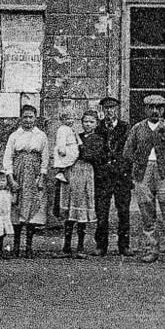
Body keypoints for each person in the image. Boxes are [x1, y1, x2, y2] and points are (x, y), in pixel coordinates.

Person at [122, 93, 165, 264]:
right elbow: (127, 152)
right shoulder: (138, 128)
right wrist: (139, 163)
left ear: (163, 109)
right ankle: (151, 250)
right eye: (151, 107)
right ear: (145, 109)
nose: (155, 111)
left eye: (158, 108)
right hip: (143, 173)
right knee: (147, 214)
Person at [1, 104, 52, 258]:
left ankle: (29, 247)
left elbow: (45, 158)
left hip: (34, 175)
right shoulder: (15, 136)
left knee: (33, 209)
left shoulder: (41, 135)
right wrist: (11, 179)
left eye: (31, 117)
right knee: (17, 208)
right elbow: (8, 157)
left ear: (35, 118)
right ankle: (16, 246)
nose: (28, 120)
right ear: (20, 118)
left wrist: (42, 177)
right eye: (25, 117)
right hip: (19, 173)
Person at [86, 95, 133, 256]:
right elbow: (93, 151)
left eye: (112, 108)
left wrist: (124, 169)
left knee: (124, 212)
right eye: (106, 109)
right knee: (102, 212)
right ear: (103, 111)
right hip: (103, 177)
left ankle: (124, 245)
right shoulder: (97, 129)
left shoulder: (125, 128)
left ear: (117, 110)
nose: (109, 111)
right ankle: (101, 245)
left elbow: (129, 152)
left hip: (121, 177)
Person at [61, 110, 99, 258]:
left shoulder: (97, 139)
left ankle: (81, 246)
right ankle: (66, 246)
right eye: (85, 122)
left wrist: (79, 142)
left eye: (91, 122)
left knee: (82, 208)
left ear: (96, 124)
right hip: (73, 171)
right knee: (71, 208)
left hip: (86, 173)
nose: (88, 124)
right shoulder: (76, 136)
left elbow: (89, 155)